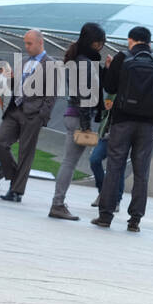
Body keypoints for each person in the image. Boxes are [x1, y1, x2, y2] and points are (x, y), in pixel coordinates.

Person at [93, 25, 153, 232]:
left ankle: (105, 216)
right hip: (148, 123)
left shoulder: (121, 58)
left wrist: (109, 68)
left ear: (130, 40)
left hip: (122, 121)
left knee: (115, 167)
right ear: (149, 42)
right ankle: (135, 219)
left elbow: (110, 88)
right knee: (141, 171)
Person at [49, 23, 106, 220]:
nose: (101, 48)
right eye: (100, 44)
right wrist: (86, 125)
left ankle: (58, 202)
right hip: (78, 117)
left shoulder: (76, 60)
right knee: (69, 163)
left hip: (72, 114)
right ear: (94, 43)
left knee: (68, 161)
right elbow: (84, 96)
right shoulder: (84, 64)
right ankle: (57, 203)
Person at [0, 29, 56, 203]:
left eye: (29, 43)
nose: (26, 47)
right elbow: (17, 87)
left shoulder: (50, 64)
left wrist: (42, 116)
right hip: (15, 110)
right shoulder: (23, 62)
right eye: (25, 43)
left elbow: (51, 95)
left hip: (33, 114)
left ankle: (16, 191)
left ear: (40, 43)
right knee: (0, 142)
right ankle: (15, 180)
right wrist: (11, 78)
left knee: (25, 153)